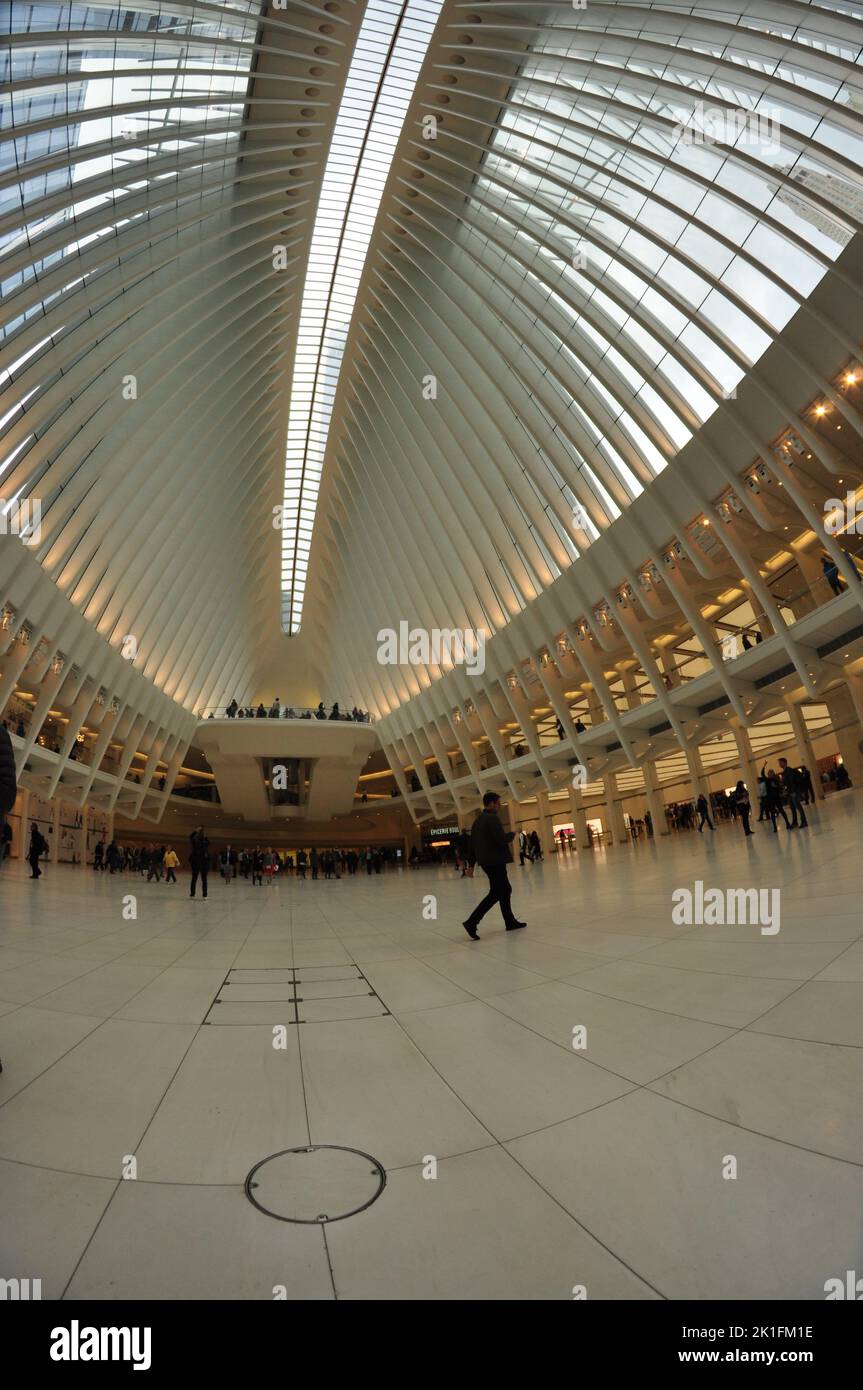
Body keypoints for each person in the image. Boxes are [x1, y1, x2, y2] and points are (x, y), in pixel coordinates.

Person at [462, 792, 525, 941]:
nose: (500, 805)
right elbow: (501, 839)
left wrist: (471, 865)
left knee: (504, 890)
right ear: (491, 804)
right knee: (497, 892)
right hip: (495, 860)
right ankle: (472, 922)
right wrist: (513, 833)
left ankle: (509, 921)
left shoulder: (477, 821)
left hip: (487, 862)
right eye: (498, 803)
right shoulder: (492, 818)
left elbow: (472, 845)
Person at [778, 757, 808, 829]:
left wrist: (793, 791)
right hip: (790, 792)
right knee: (792, 808)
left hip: (793, 792)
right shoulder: (785, 772)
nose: (779, 764)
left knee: (798, 807)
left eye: (780, 762)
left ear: (784, 762)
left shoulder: (789, 770)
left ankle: (804, 821)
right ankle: (795, 822)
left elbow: (792, 781)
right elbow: (787, 783)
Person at [189, 827, 210, 899]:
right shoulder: (205, 842)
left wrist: (195, 831)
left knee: (194, 879)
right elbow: (209, 842)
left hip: (197, 863)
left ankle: (192, 894)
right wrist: (205, 837)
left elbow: (190, 837)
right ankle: (204, 895)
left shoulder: (195, 842)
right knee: (203, 880)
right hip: (203, 864)